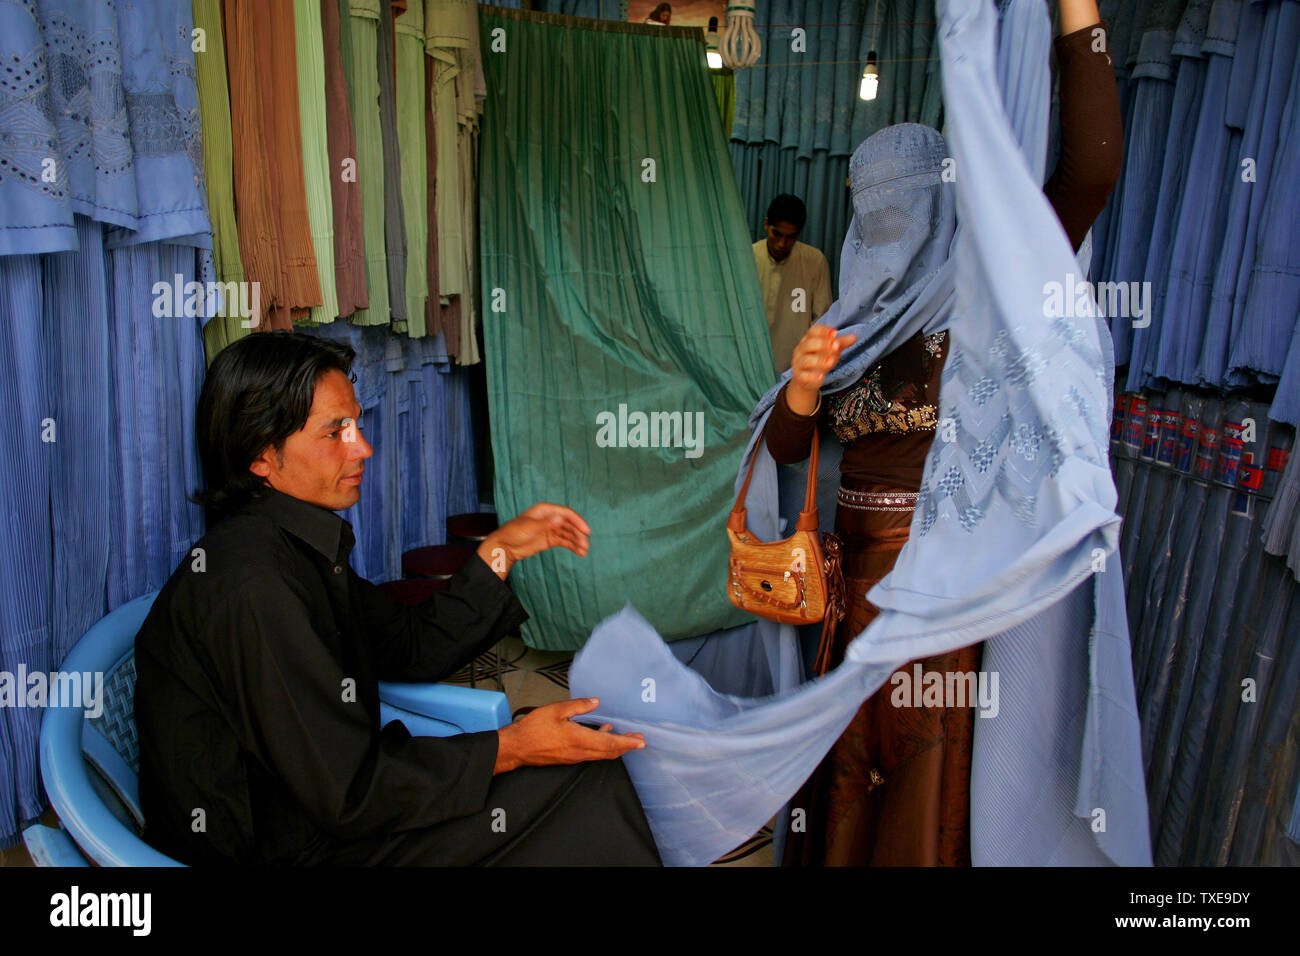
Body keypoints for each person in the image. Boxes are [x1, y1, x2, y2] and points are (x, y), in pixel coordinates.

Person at [774, 2, 1122, 866]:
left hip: (938, 593)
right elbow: (784, 452)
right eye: (871, 213)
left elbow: (1089, 175)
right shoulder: (852, 324)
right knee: (848, 777)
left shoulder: (983, 300)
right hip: (848, 598)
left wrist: (1077, 16)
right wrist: (806, 388)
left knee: (928, 787)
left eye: (909, 208)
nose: (890, 232)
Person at [134, 332, 662, 866]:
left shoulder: (291, 547)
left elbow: (411, 646)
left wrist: (500, 550)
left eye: (356, 424)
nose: (361, 447)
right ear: (263, 456)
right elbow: (348, 793)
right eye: (334, 432)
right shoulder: (253, 587)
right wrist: (513, 747)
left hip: (324, 811)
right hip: (290, 847)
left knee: (581, 767)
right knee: (586, 783)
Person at [753, 194, 833, 374]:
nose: (782, 243)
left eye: (790, 237)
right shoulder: (750, 258)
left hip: (794, 369)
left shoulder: (814, 261)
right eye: (777, 234)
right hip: (751, 366)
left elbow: (822, 319)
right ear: (766, 224)